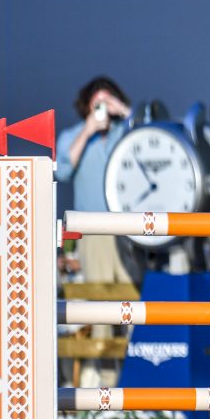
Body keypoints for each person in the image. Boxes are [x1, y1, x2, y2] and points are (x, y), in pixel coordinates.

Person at [55, 77, 133, 284]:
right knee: (100, 298)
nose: (103, 109)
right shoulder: (72, 136)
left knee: (134, 298)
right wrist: (87, 132)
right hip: (94, 230)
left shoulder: (128, 131)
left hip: (129, 229)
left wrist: (126, 112)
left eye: (108, 102)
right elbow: (61, 171)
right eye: (98, 103)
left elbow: (155, 141)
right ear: (87, 105)